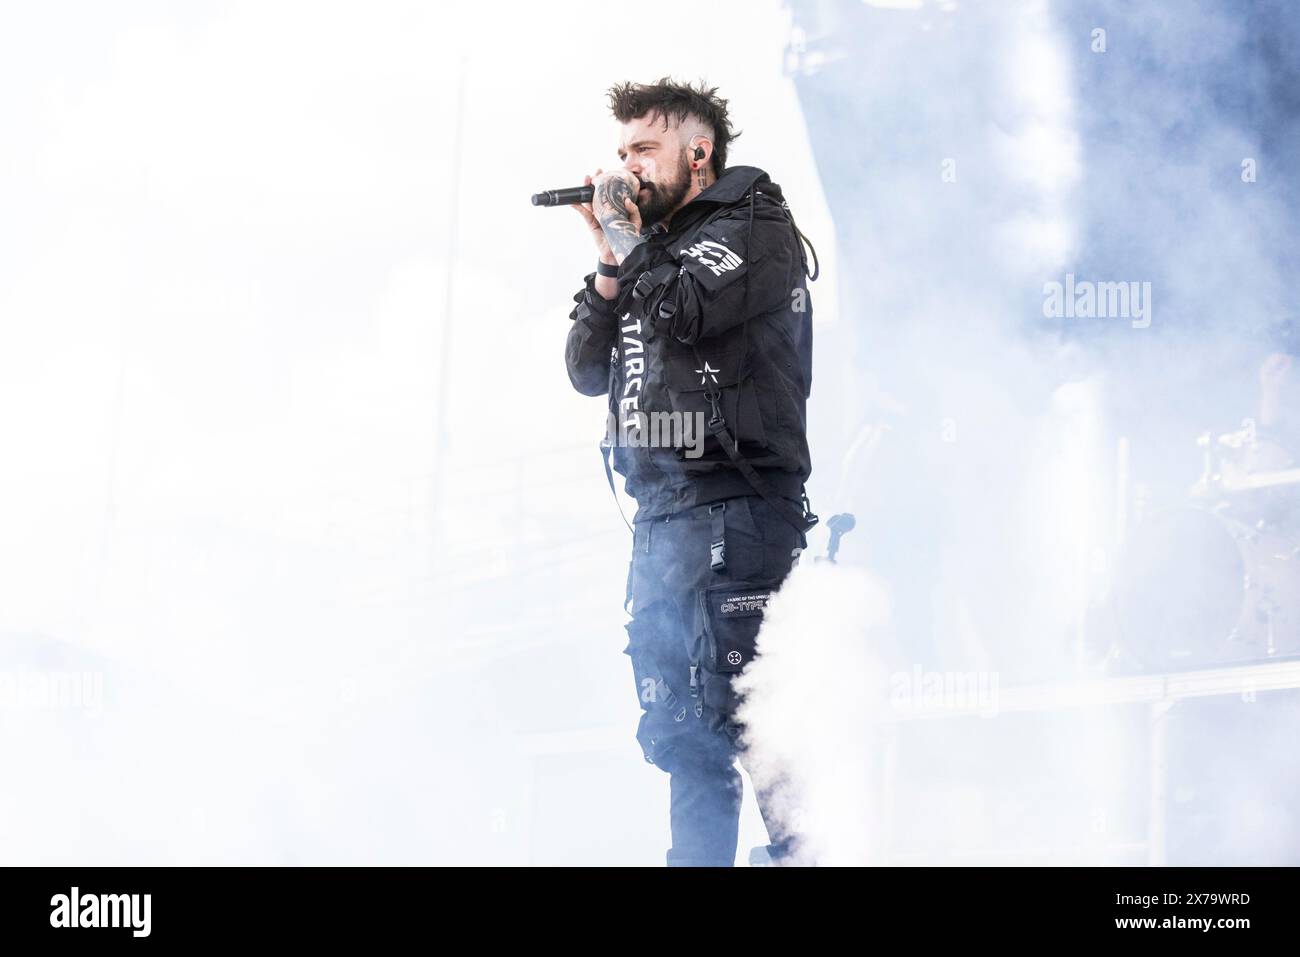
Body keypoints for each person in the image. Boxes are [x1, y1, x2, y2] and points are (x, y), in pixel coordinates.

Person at [563, 77, 819, 866]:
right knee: (683, 733)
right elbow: (584, 368)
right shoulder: (650, 256)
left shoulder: (753, 223)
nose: (627, 167)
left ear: (697, 153)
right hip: (663, 523)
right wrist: (610, 259)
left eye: (644, 148)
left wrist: (626, 233)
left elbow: (687, 310)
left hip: (738, 512)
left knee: (757, 724)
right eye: (621, 152)